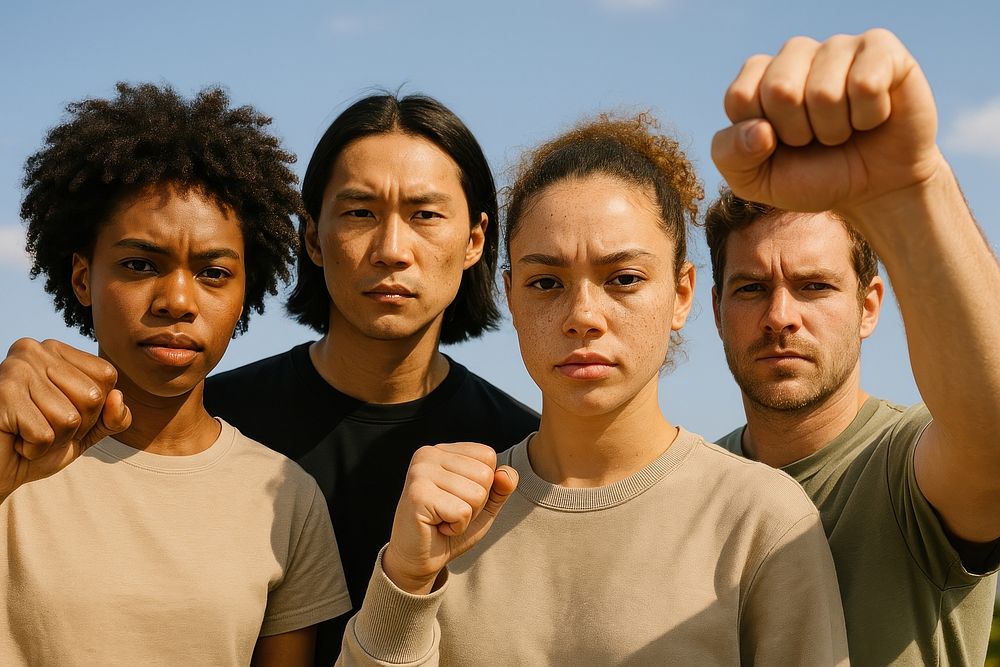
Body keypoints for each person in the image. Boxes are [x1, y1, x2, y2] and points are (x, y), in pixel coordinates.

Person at [338, 113, 849, 665]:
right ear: (511, 296)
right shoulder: (447, 515)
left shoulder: (759, 518)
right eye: (547, 283)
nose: (582, 316)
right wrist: (406, 580)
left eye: (623, 279)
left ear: (681, 295)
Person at [0, 83, 350, 665]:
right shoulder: (18, 446)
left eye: (214, 273)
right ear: (83, 279)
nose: (177, 300)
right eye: (140, 265)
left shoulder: (286, 498)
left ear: (246, 292)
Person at [203, 93, 539, 661]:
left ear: (475, 240)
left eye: (425, 215)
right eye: (359, 212)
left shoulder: (517, 453)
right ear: (311, 236)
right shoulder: (212, 421)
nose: (391, 250)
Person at [706, 29, 1000, 665]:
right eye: (752, 288)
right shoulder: (693, 485)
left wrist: (913, 186)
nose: (781, 316)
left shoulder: (906, 466)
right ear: (715, 310)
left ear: (870, 307)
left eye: (814, 286)